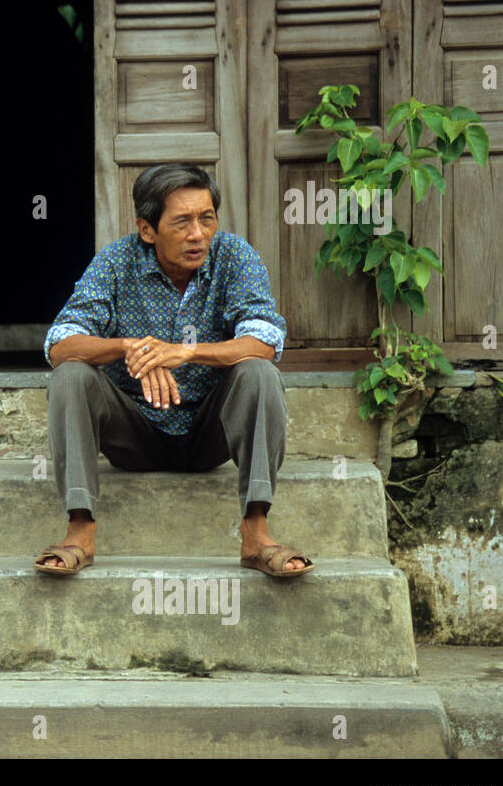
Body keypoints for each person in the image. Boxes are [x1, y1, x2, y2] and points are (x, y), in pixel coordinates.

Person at [36, 163, 313, 578]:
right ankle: (80, 528)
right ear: (148, 230)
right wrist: (129, 347)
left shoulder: (235, 256)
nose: (198, 234)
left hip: (210, 434)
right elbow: (59, 344)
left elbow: (266, 339)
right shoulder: (116, 261)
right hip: (134, 434)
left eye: (207, 218)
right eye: (182, 222)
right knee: (71, 375)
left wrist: (184, 353)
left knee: (259, 372)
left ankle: (256, 531)